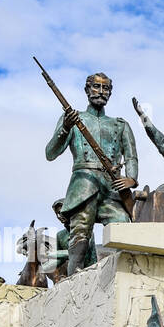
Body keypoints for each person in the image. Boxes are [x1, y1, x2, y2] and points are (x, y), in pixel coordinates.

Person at [44, 72, 138, 275]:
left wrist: (131, 179)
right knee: (80, 231)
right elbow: (50, 153)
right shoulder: (73, 119)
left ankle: (122, 272)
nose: (101, 92)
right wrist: (65, 128)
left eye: (105, 88)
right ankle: (75, 275)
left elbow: (131, 156)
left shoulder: (120, 125)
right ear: (87, 90)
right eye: (96, 87)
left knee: (122, 225)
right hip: (84, 183)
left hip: (113, 187)